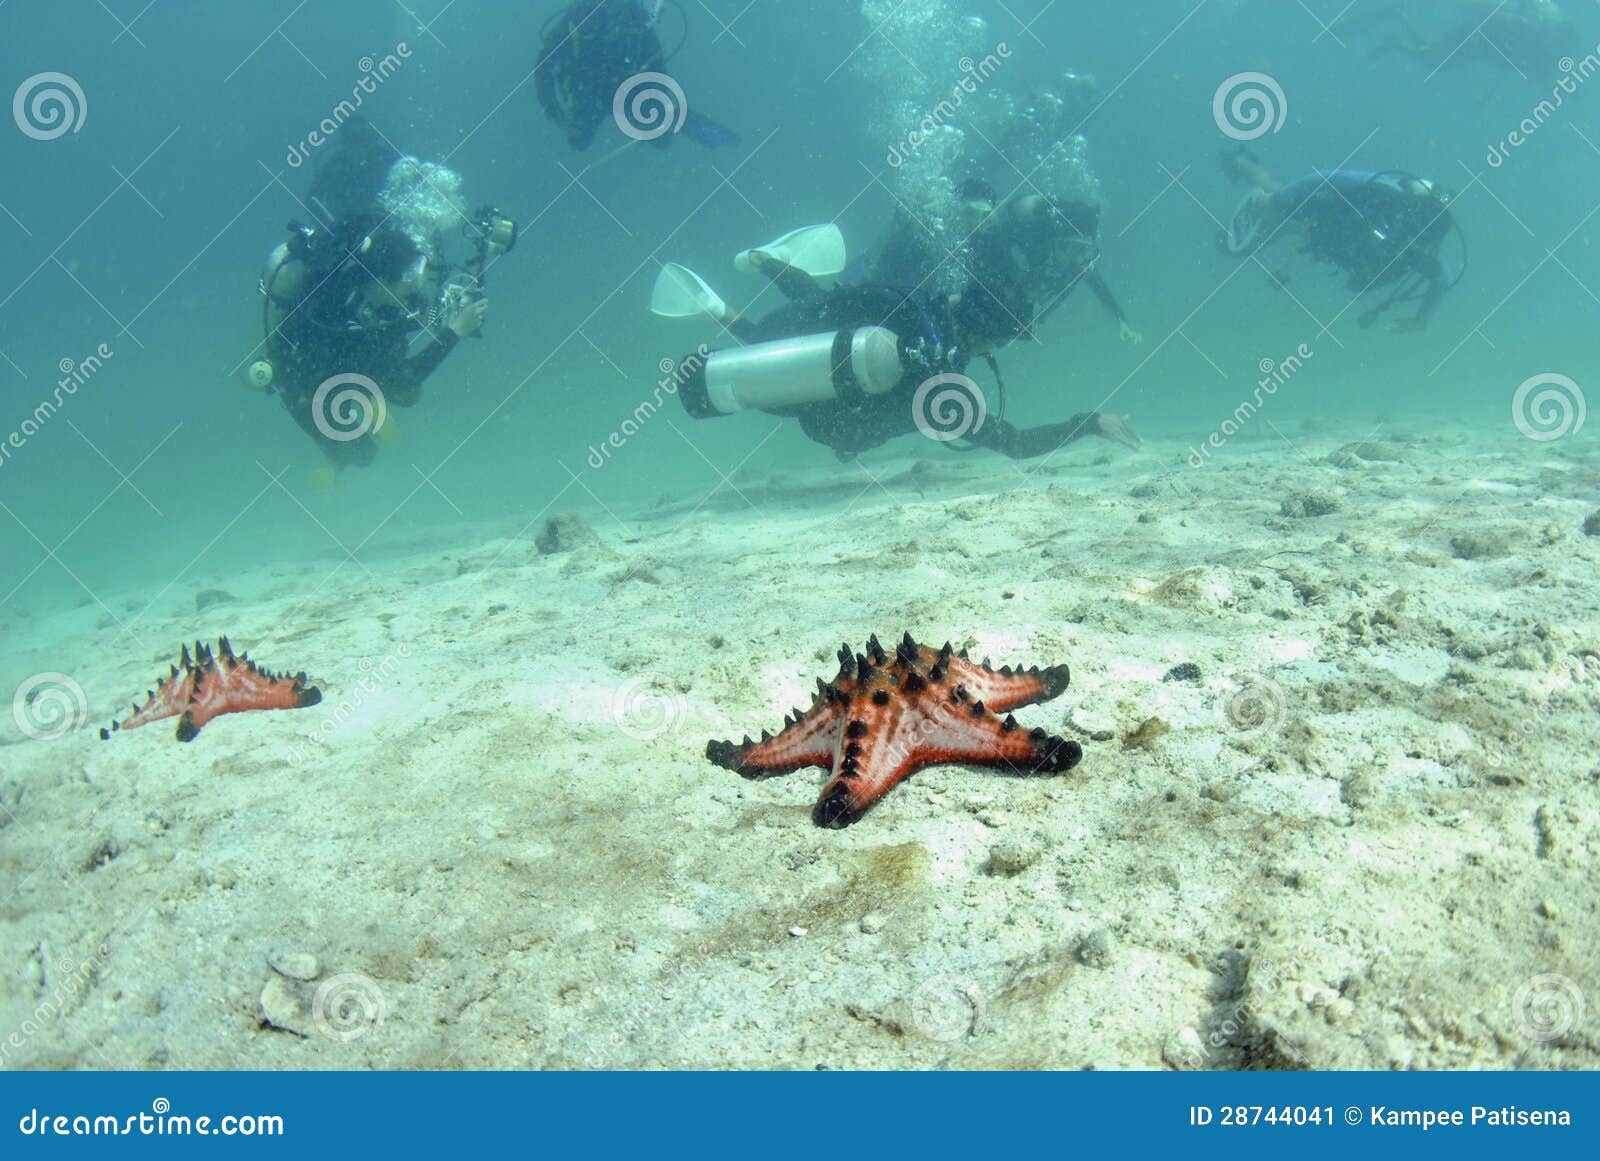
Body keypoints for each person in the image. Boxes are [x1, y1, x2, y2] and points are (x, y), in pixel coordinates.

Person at [656, 205, 1141, 462]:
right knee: (776, 367)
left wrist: (778, 273)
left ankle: (753, 277)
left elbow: (832, 300)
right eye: (1003, 340)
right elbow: (1014, 444)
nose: (998, 349)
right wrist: (1090, 422)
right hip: (814, 410)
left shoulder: (910, 307)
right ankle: (730, 305)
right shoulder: (942, 378)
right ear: (991, 336)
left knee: (777, 336)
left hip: (794, 354)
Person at [250, 123, 515, 471]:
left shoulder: (375, 284)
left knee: (391, 388)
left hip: (363, 360)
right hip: (311, 384)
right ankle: (331, 467)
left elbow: (406, 308)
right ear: (376, 282)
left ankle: (367, 403)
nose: (413, 287)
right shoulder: (344, 325)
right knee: (360, 455)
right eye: (405, 282)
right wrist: (455, 330)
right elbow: (404, 383)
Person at [1221, 151, 1464, 332]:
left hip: (1337, 241)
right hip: (1327, 219)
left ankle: (1265, 204)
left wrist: (1421, 320)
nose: (1411, 236)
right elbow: (1326, 178)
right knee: (1280, 207)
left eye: (1419, 236)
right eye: (1413, 228)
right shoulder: (1385, 192)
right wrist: (1276, 199)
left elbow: (1442, 277)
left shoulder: (1417, 249)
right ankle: (1243, 163)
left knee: (1280, 226)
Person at [535, 0, 739, 152]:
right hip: (586, 90)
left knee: (661, 139)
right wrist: (550, 105)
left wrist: (658, 110)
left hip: (624, 91)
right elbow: (545, 61)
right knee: (578, 140)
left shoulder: (636, 18)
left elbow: (656, 65)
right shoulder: (579, 16)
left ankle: (701, 131)